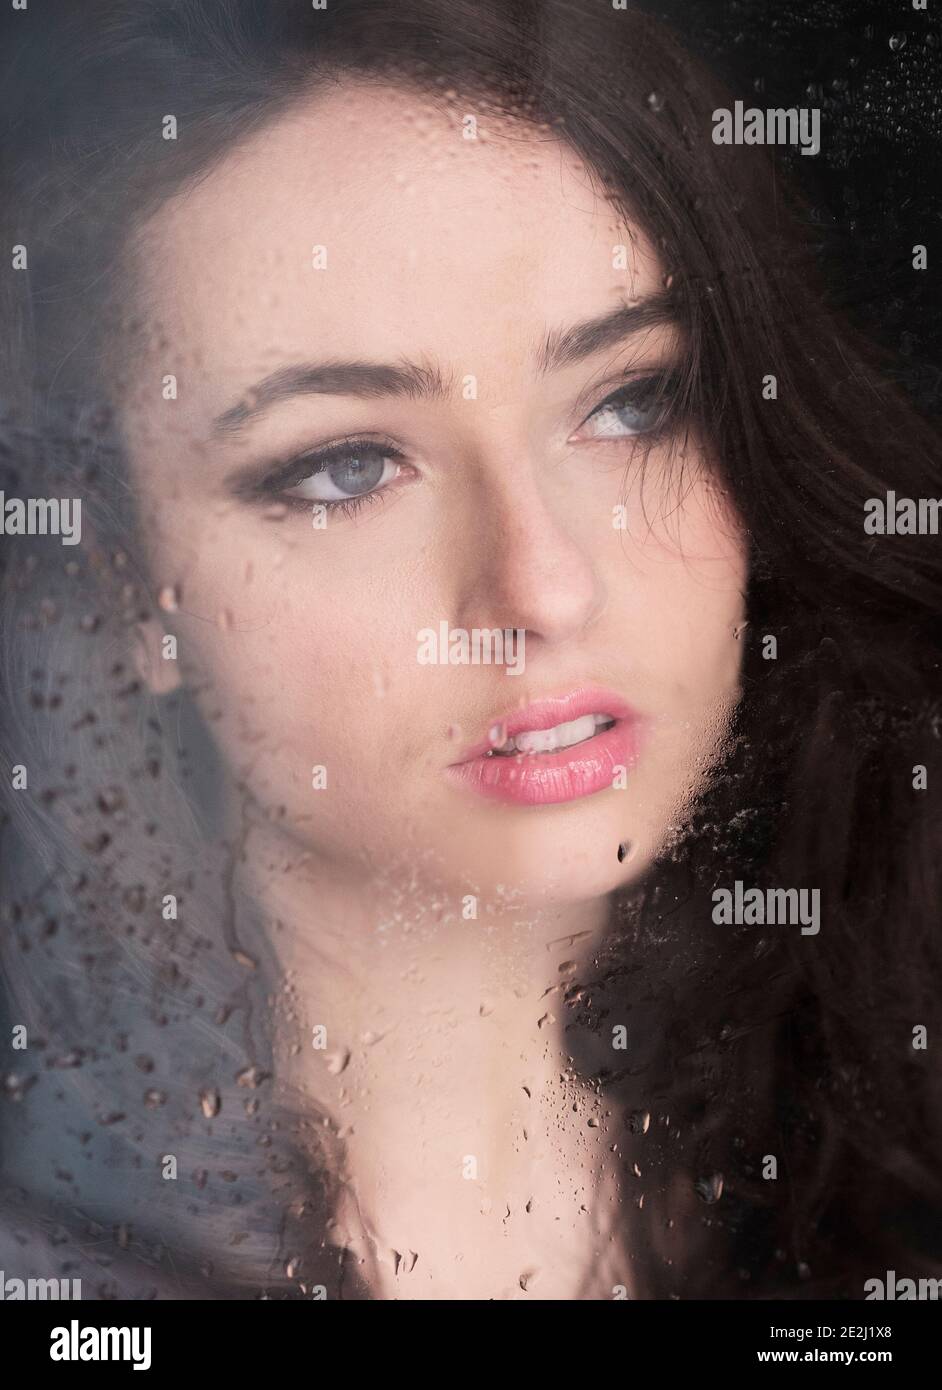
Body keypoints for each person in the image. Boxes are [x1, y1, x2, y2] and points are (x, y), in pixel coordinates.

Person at [1, 0, 940, 1300]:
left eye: (629, 401)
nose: (542, 584)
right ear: (117, 585)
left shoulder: (885, 1158)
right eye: (343, 468)